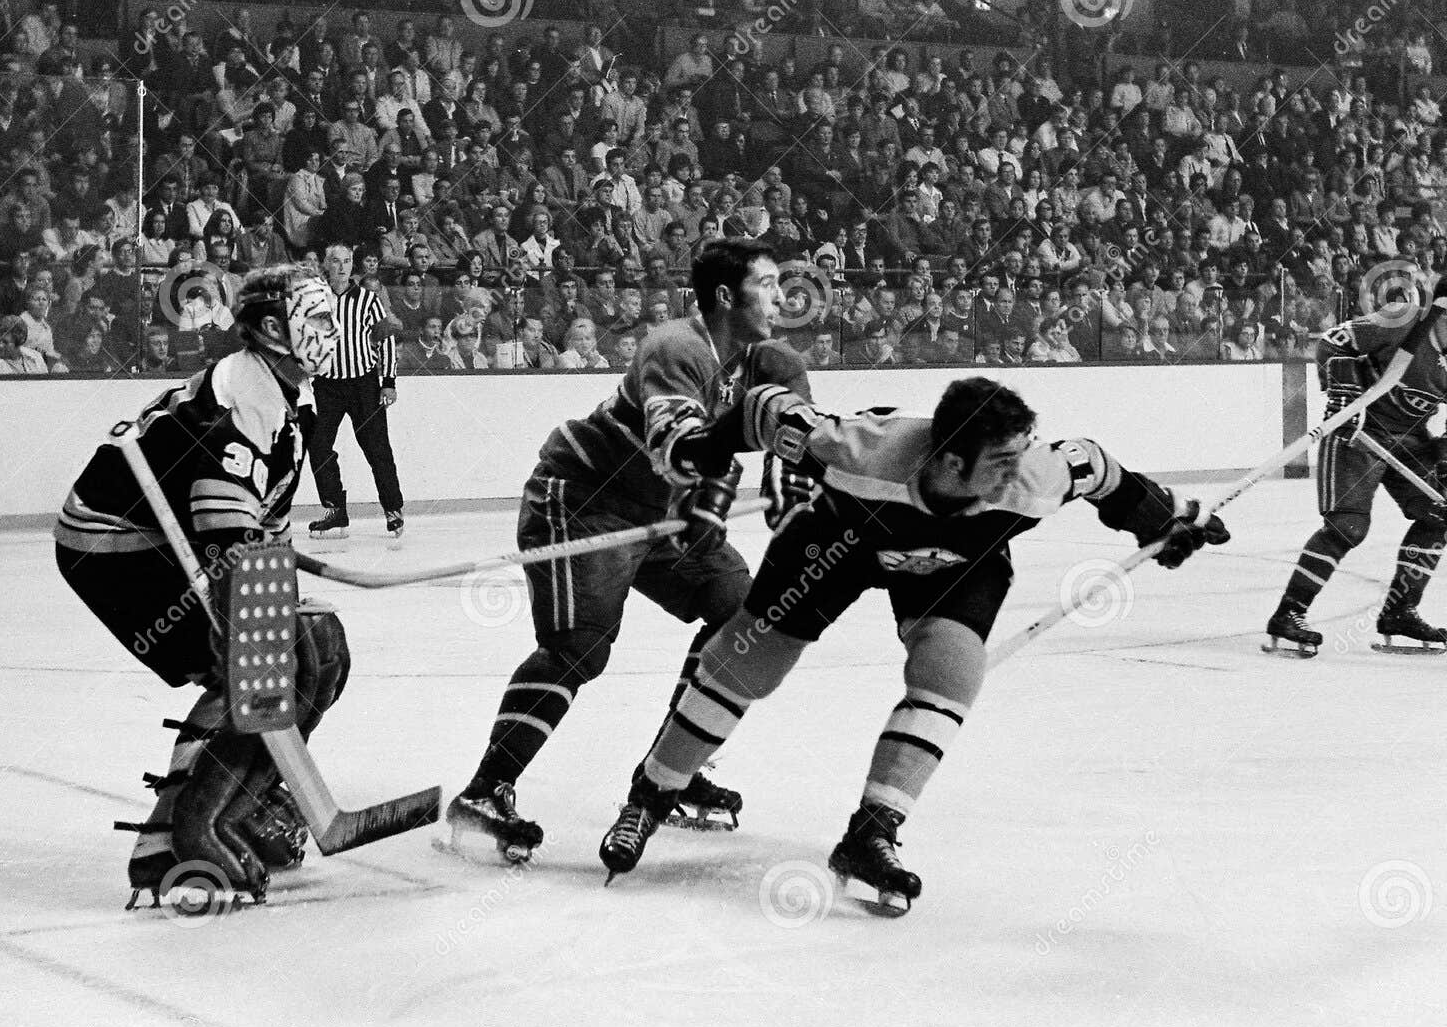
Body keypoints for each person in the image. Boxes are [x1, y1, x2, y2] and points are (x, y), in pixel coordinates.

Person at [596, 378, 1230, 910]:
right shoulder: (861, 450)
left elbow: (1096, 466)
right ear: (951, 463)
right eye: (1001, 462)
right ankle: (650, 796)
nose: (1019, 470)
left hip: (956, 562)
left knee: (951, 673)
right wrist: (707, 448)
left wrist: (1166, 519)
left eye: (1020, 454)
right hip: (838, 545)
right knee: (747, 664)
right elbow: (768, 406)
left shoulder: (1035, 474)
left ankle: (871, 833)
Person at [445, 238, 810, 861]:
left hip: (660, 510)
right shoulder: (676, 348)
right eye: (768, 284)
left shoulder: (773, 362)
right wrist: (718, 481)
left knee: (741, 614)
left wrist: (791, 472)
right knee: (578, 649)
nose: (785, 298)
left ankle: (672, 769)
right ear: (726, 296)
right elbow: (679, 449)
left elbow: (785, 443)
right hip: (585, 499)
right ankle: (485, 790)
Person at [54, 265, 349, 906]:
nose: (333, 329)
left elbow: (261, 525)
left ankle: (240, 804)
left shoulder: (284, 397)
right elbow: (225, 536)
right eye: (320, 318)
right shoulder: (243, 398)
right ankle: (184, 836)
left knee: (319, 646)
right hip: (113, 544)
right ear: (274, 329)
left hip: (161, 540)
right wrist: (256, 627)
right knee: (263, 657)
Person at [1265, 282, 1447, 656]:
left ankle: (1399, 611)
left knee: (1438, 514)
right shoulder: (1402, 319)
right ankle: (1289, 613)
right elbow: (1332, 342)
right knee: (1347, 527)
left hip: (1410, 438)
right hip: (1357, 429)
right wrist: (1344, 394)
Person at [307, 244, 404, 540]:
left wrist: (388, 381)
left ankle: (393, 509)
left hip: (363, 384)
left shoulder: (368, 299)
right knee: (318, 446)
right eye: (336, 261)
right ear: (327, 265)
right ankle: (335, 508)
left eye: (347, 261)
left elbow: (386, 339)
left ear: (352, 265)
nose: (342, 267)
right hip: (327, 386)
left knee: (377, 448)